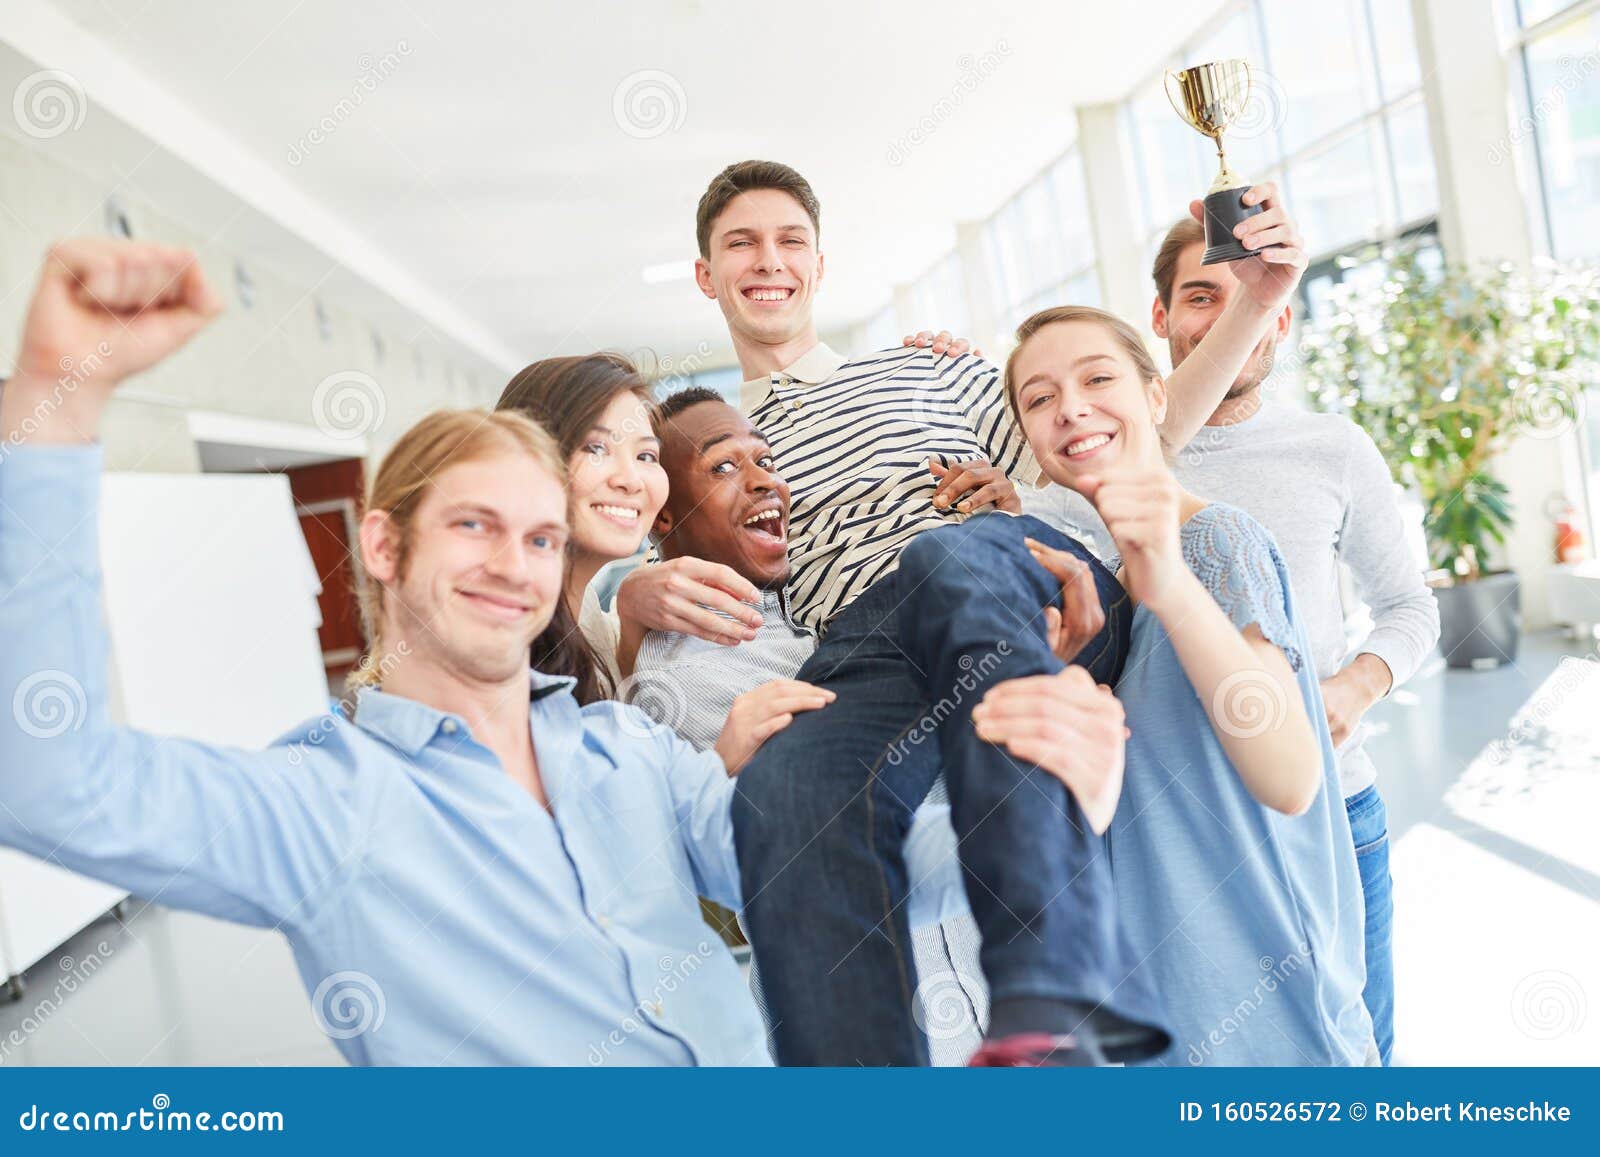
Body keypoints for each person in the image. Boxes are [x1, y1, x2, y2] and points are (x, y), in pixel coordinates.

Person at [0, 238, 831, 1066]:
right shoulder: (329, 800)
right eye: (475, 525)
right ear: (384, 545)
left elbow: (812, 862)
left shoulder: (627, 747)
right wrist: (53, 403)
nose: (515, 563)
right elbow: (48, 784)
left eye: (543, 538)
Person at [616, 160, 1299, 1065]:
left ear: (821, 266)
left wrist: (1256, 302)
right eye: (740, 244)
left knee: (942, 552)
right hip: (869, 654)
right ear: (706, 275)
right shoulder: (709, 444)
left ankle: (1049, 984)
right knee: (788, 796)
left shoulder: (922, 369)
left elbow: (1133, 426)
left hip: (1006, 591)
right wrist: (618, 594)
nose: (767, 260)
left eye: (789, 241)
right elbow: (612, 528)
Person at [1001, 303, 1375, 1066]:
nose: (1070, 407)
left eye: (1097, 377)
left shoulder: (1214, 541)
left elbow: (1292, 775)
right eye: (1039, 398)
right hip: (1168, 1019)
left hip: (1276, 1029)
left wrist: (1170, 582)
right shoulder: (1096, 592)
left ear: (1158, 397)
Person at [626, 386, 1027, 1063]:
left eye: (765, 459)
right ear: (663, 515)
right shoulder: (684, 678)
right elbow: (827, 851)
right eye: (724, 467)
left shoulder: (804, 617)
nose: (763, 481)